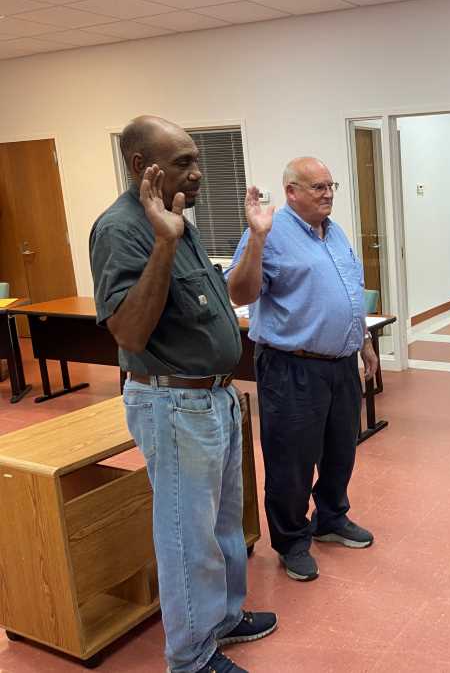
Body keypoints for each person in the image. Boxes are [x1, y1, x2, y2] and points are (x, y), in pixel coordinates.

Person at [90, 116, 276, 673]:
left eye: (197, 160)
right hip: (172, 403)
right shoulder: (123, 229)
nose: (197, 174)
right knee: (185, 534)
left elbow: (236, 293)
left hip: (212, 398)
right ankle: (190, 658)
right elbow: (128, 331)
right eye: (182, 163)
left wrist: (257, 237)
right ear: (138, 165)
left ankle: (219, 619)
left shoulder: (177, 219)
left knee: (222, 523)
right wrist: (164, 242)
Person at [228, 157, 378, 582]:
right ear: (291, 191)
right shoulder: (268, 233)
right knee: (291, 460)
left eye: (331, 186)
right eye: (317, 187)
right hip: (292, 367)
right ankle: (292, 539)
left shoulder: (335, 233)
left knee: (340, 450)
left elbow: (349, 291)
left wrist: (363, 342)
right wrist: (256, 239)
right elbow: (239, 291)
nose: (328, 193)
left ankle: (331, 517)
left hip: (340, 364)